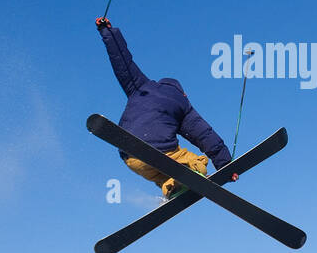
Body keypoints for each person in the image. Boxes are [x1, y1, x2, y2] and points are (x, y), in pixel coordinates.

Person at [95, 17, 237, 198]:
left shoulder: (141, 86)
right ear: (182, 93)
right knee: (197, 162)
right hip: (159, 150)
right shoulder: (182, 105)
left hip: (130, 154)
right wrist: (226, 166)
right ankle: (185, 178)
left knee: (163, 175)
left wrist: (108, 32)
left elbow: (122, 62)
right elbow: (205, 136)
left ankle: (172, 187)